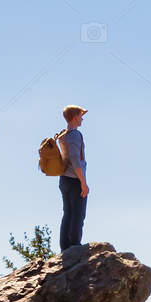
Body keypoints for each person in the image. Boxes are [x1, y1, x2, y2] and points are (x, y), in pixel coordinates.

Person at [57, 105, 89, 250]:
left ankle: (65, 246)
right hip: (74, 179)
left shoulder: (63, 135)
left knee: (68, 213)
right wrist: (83, 182)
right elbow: (76, 160)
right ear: (75, 117)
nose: (82, 119)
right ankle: (75, 246)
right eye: (81, 116)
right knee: (78, 213)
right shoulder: (75, 135)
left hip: (64, 179)